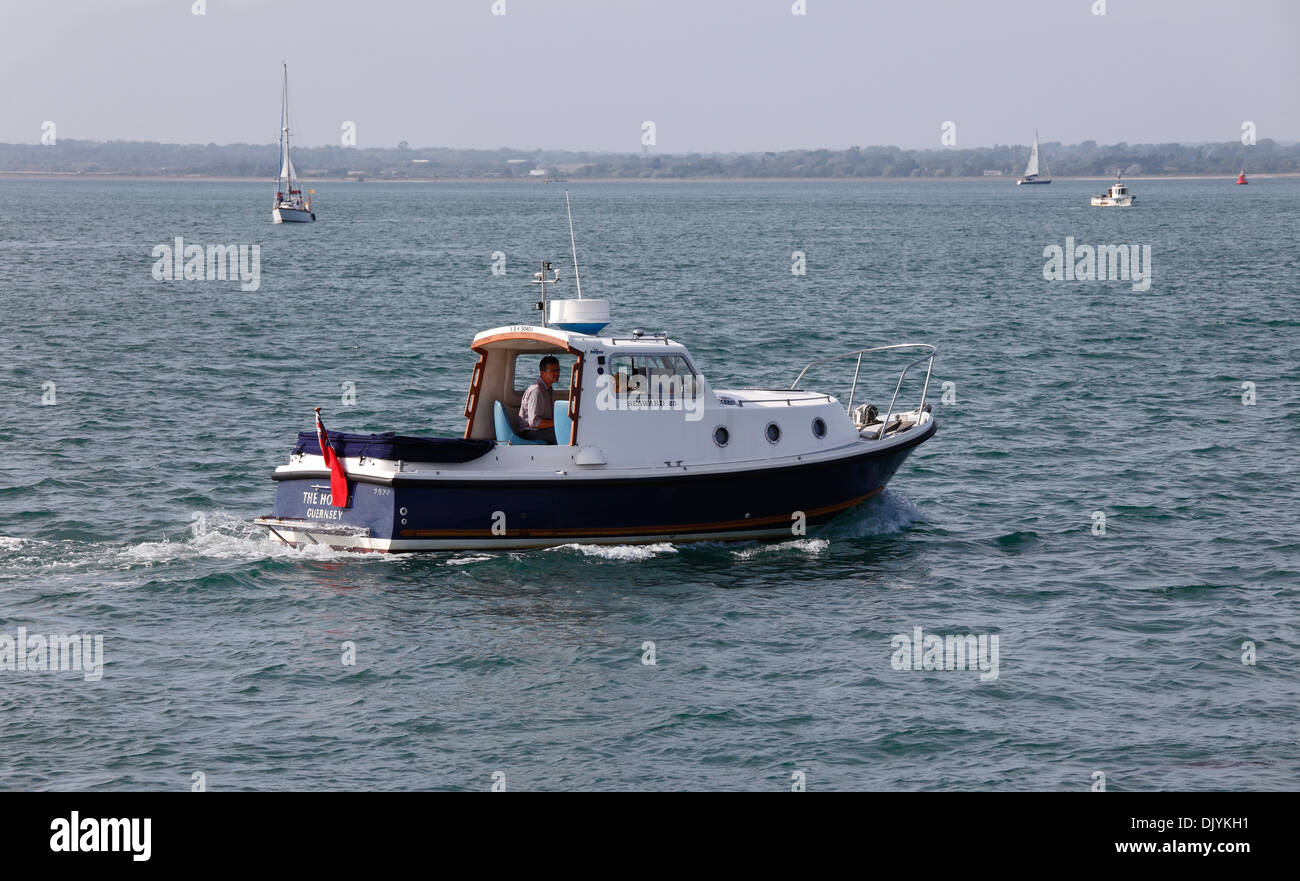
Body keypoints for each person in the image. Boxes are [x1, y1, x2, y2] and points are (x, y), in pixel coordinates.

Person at [518, 355, 560, 444]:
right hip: (530, 433)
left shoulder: (548, 389)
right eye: (552, 371)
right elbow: (535, 422)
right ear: (542, 373)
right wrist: (558, 422)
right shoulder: (537, 391)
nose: (557, 373)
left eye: (558, 370)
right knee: (567, 432)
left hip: (540, 430)